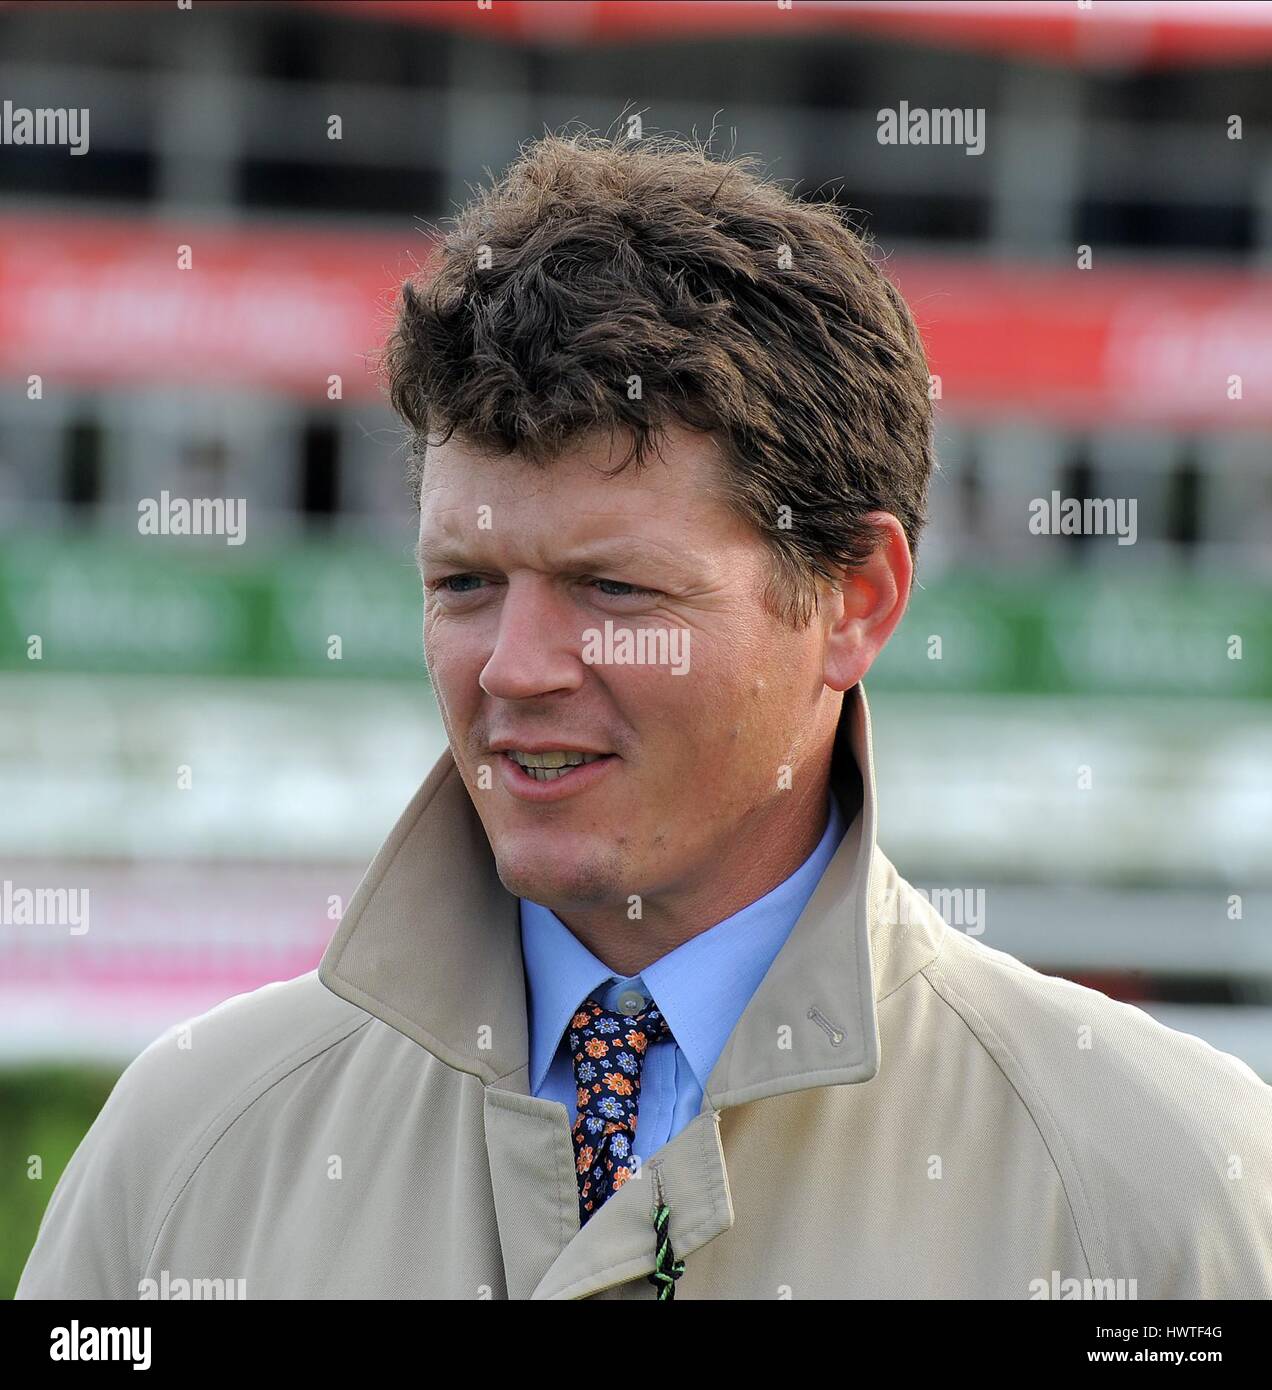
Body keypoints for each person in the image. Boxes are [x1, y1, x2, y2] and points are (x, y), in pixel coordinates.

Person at [18, 131, 1272, 1300]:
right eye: (464, 583)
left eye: (611, 587)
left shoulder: (1164, 1196)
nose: (513, 669)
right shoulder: (182, 1152)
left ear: (857, 600)